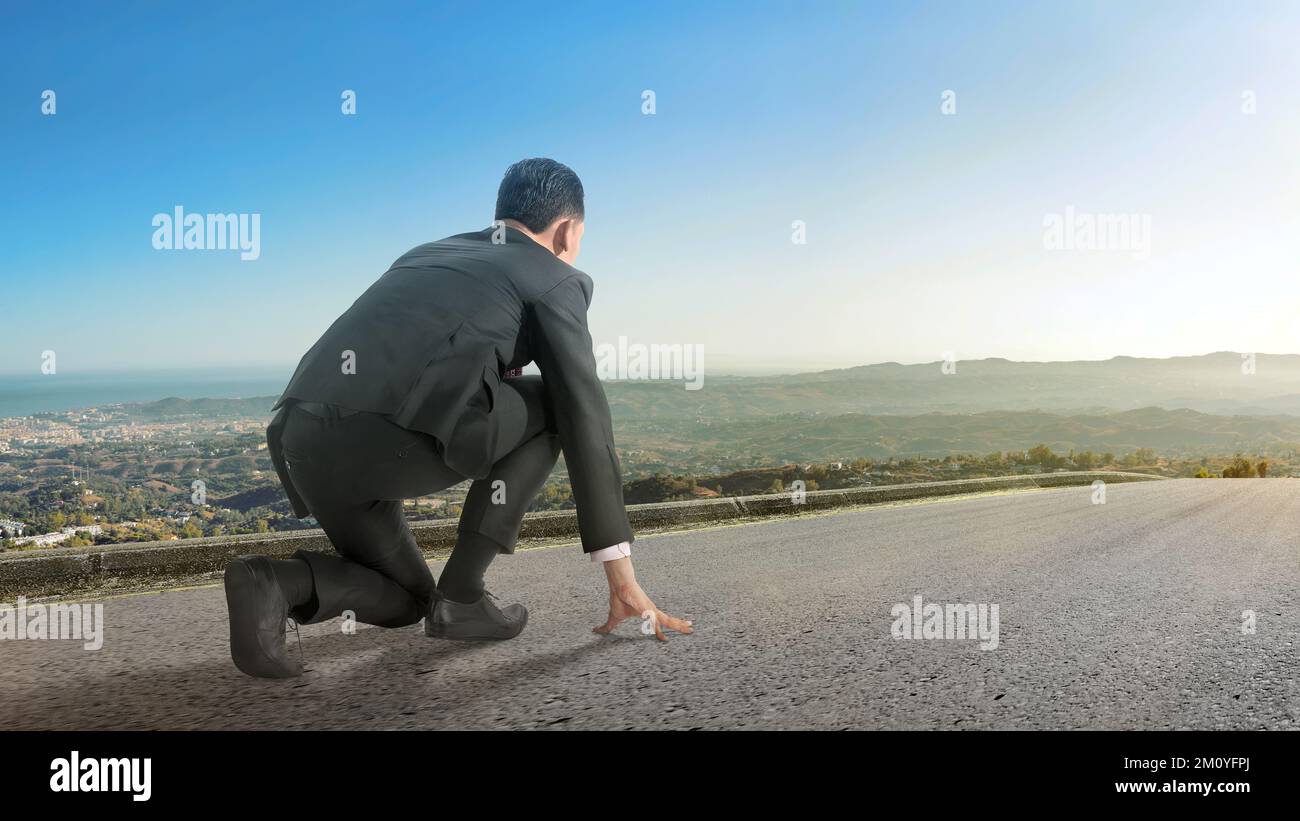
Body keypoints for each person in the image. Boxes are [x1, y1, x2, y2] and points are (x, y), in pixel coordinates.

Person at [223, 158, 692, 678]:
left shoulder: (427, 253)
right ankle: (465, 592)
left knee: (407, 601)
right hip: (391, 439)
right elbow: (583, 413)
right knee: (553, 403)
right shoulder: (554, 276)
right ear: (567, 230)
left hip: (302, 442)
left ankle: (277, 582)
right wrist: (622, 577)